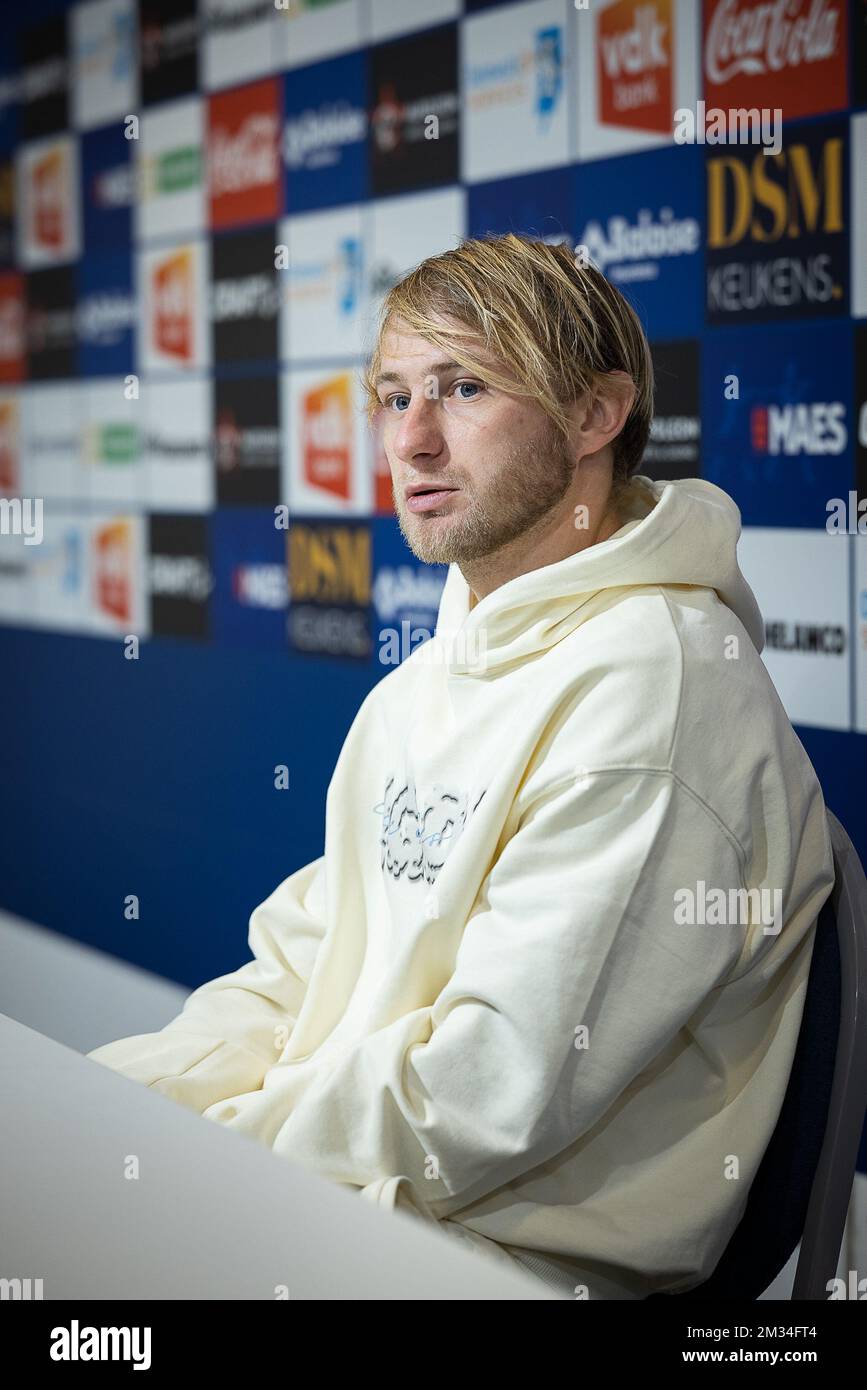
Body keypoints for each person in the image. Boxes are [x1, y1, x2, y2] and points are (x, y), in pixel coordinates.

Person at [87, 234, 835, 1300]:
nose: (413, 440)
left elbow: (482, 1098)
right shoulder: (440, 669)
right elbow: (306, 964)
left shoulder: (658, 692)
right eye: (395, 397)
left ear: (595, 413)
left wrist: (206, 1156)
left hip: (491, 1262)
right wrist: (121, 1106)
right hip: (347, 1198)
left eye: (465, 388)